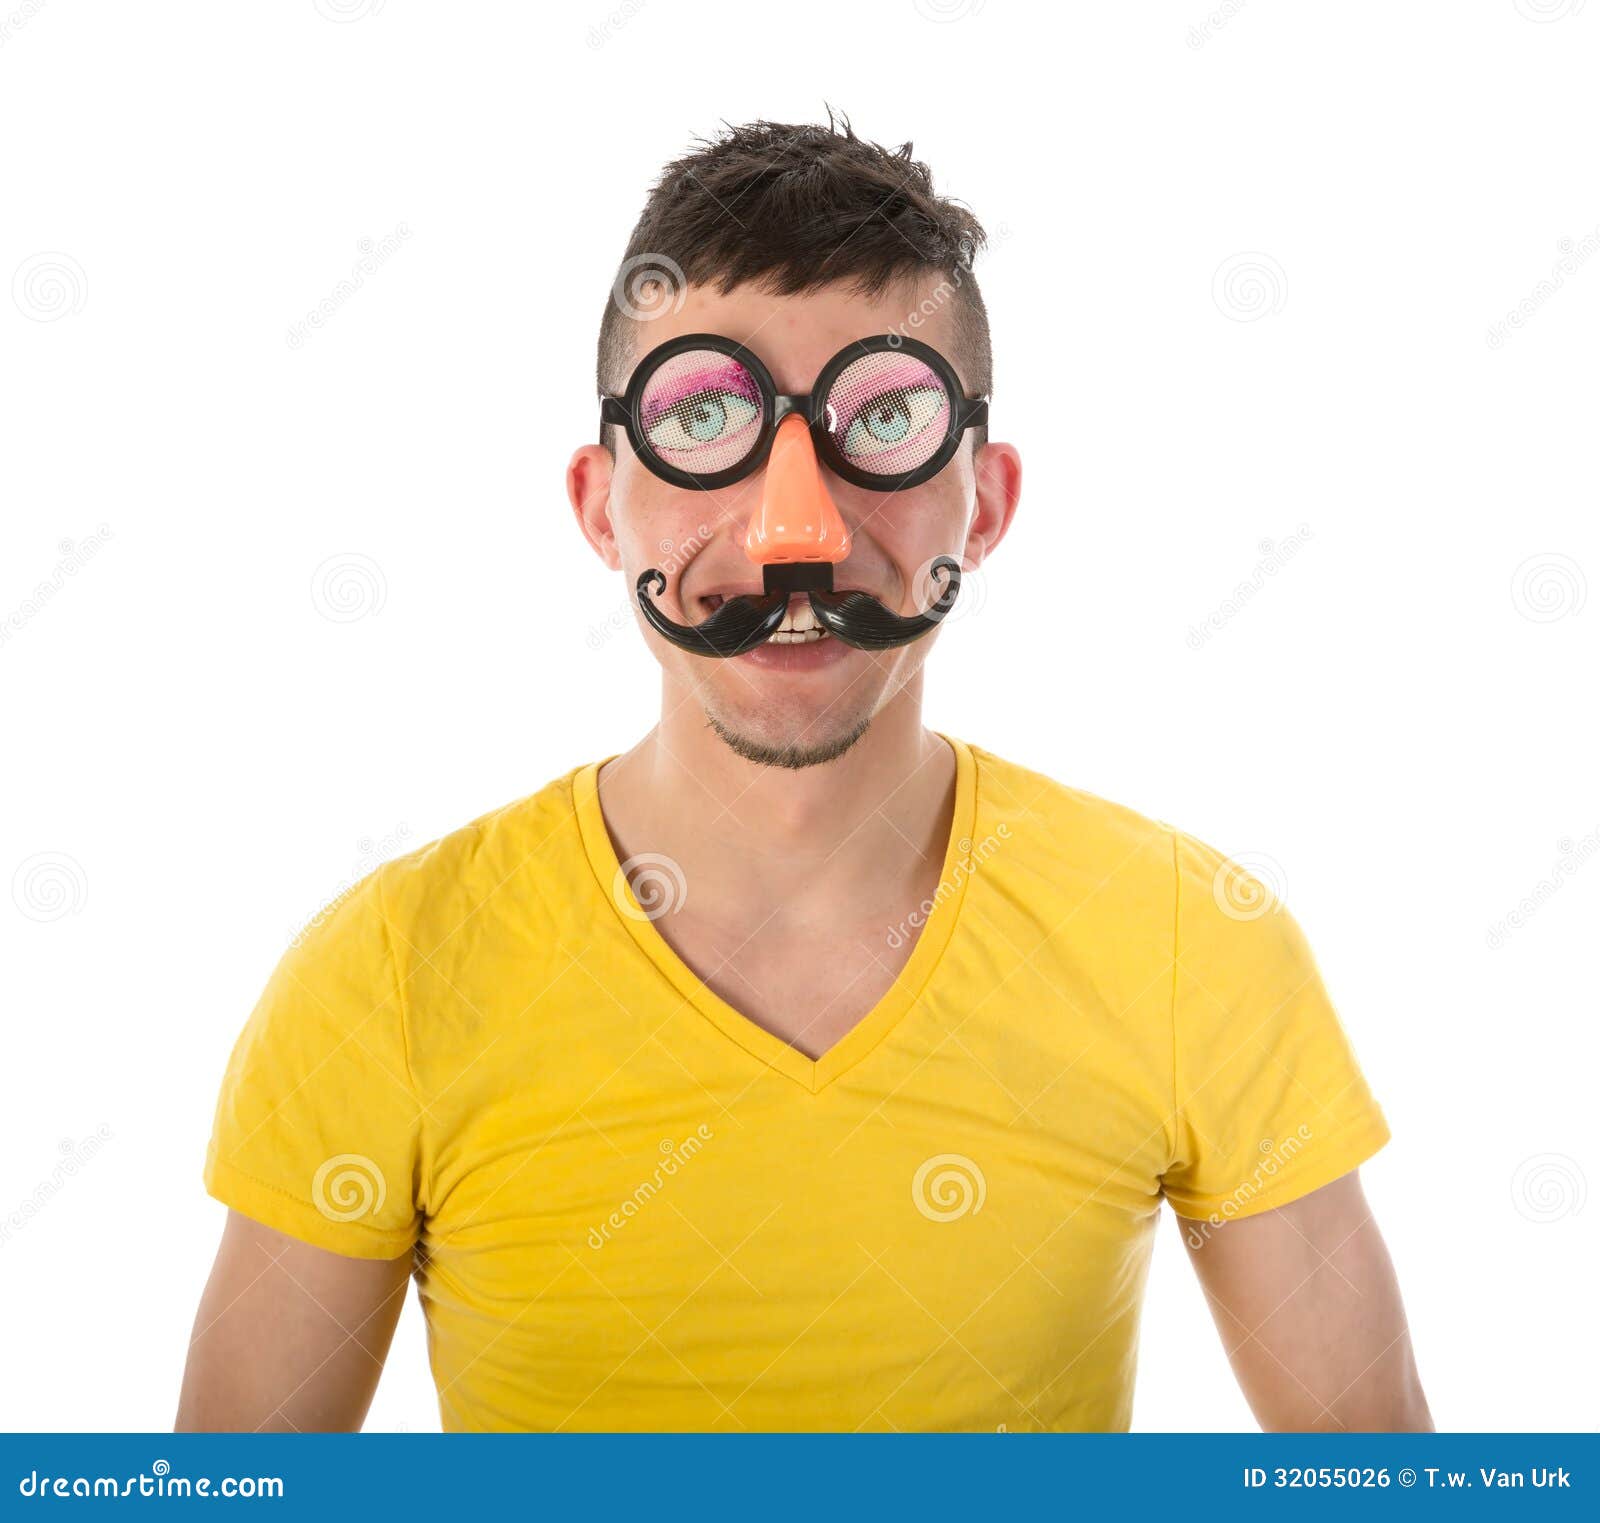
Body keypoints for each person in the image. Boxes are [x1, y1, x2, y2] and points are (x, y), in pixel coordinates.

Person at [177, 114, 1432, 1434]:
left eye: (882, 418)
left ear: (984, 503)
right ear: (603, 505)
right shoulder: (389, 972)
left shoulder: (1190, 943)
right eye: (705, 417)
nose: (797, 531)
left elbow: (1383, 1488)